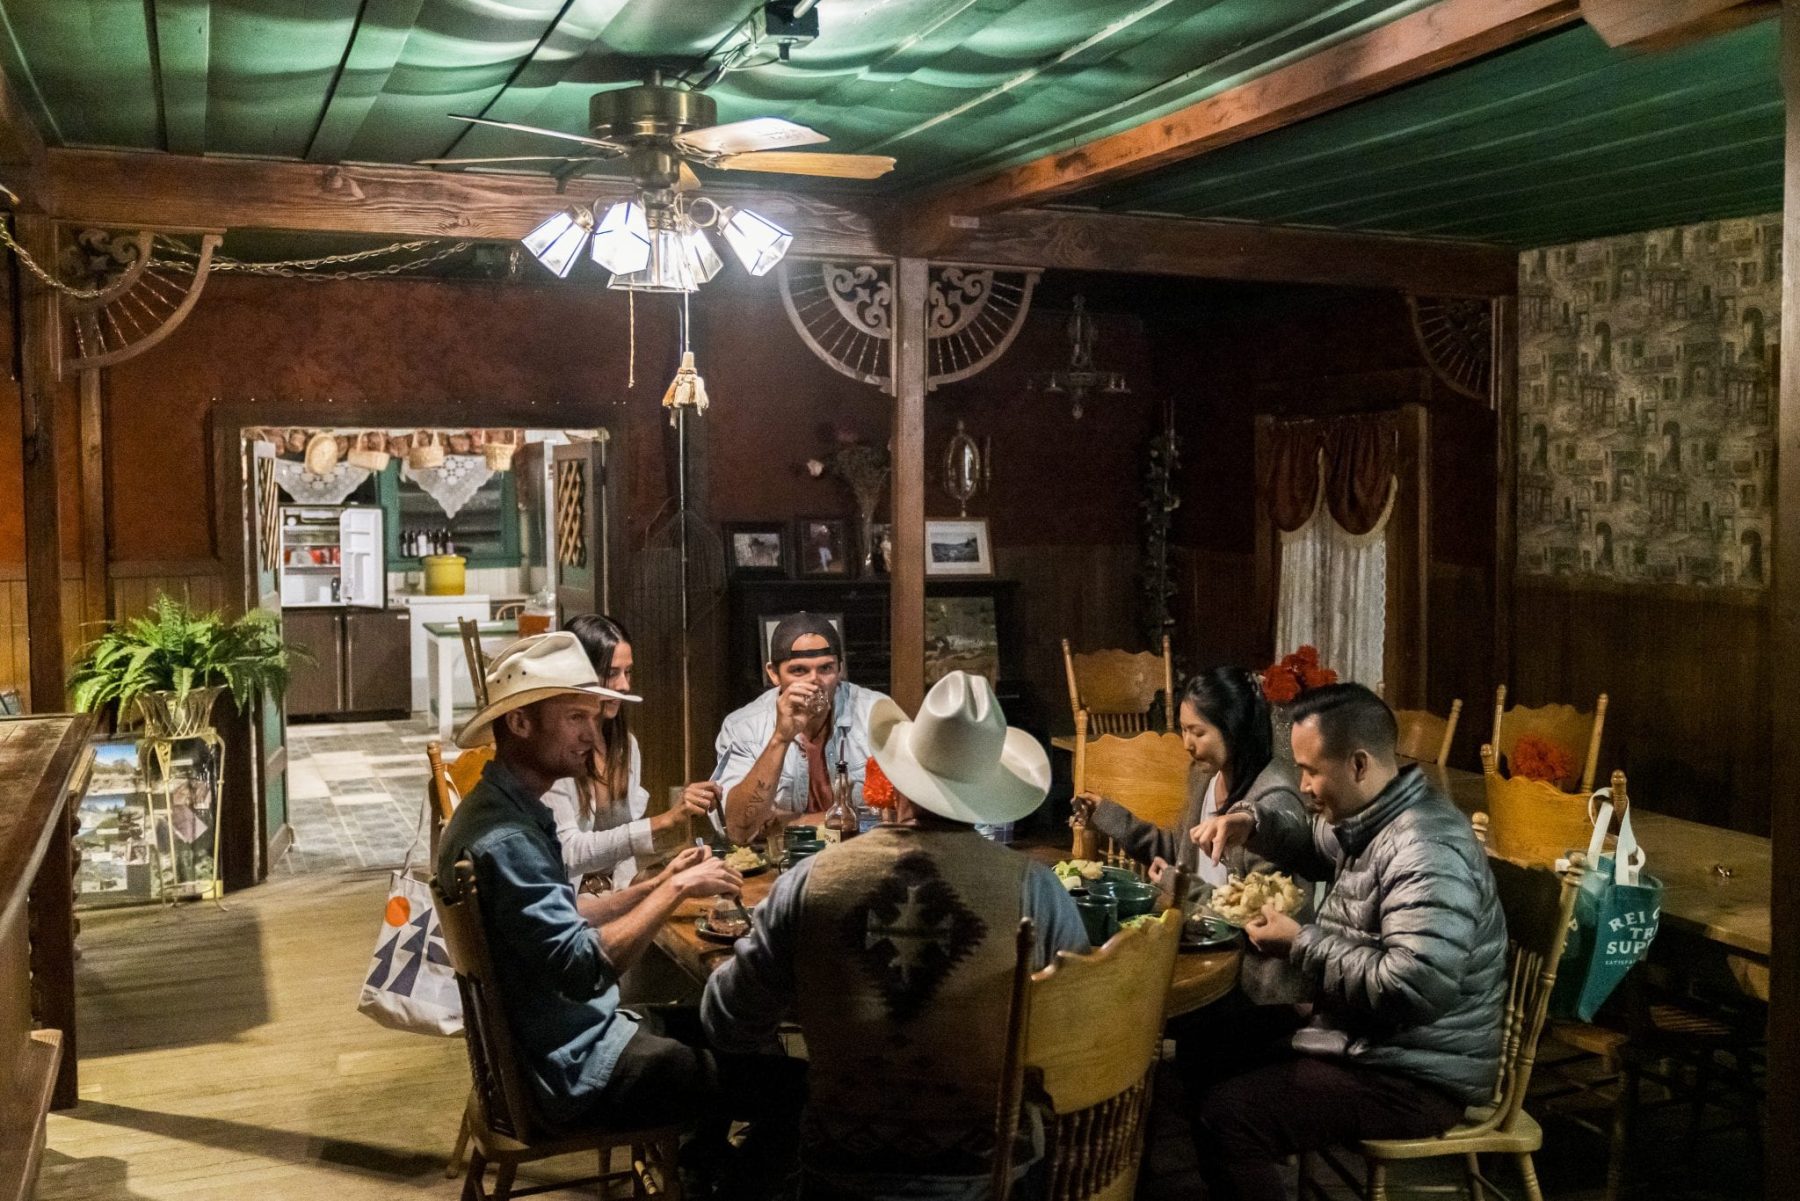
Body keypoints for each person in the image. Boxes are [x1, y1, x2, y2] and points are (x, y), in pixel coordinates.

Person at [701, 671, 1090, 1199]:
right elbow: (1076, 1031)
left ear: (899, 775)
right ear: (989, 789)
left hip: (839, 1173)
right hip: (991, 1175)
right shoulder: (1034, 888)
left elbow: (726, 1021)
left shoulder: (810, 880)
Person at [434, 632, 801, 1188]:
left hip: (561, 1045)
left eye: (593, 715)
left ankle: (703, 1169)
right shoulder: (506, 839)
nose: (593, 731)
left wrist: (661, 880)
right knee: (798, 1086)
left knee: (735, 1027)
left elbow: (564, 911)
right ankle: (724, 1183)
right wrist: (671, 894)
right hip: (574, 1072)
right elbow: (584, 969)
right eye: (575, 717)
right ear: (520, 724)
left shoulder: (500, 807)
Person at [1188, 683, 1507, 1201]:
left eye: (1312, 772)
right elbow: (1312, 841)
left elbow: (1416, 987)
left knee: (1229, 1116)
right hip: (1364, 1040)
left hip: (1416, 1074)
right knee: (1208, 1038)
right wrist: (1251, 822)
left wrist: (1301, 944)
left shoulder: (1424, 846)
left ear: (1359, 764)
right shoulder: (1370, 818)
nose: (1304, 786)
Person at [1072, 665, 1312, 1010]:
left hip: (1253, 986)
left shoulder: (1272, 798)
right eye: (1184, 731)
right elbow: (1183, 850)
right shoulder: (1206, 777)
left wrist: (1176, 882)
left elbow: (1253, 916)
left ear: (1233, 730)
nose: (1186, 744)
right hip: (1205, 949)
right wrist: (1108, 815)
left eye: (1197, 732)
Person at [544, 613, 720, 890]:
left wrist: (657, 875)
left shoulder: (626, 745)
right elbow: (567, 853)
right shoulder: (553, 750)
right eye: (611, 673)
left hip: (613, 893)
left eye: (628, 673)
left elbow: (622, 856)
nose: (624, 685)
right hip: (566, 902)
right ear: (578, 673)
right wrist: (663, 821)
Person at [716, 612, 890, 844]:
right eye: (799, 670)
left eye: (826, 668)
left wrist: (792, 822)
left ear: (841, 668)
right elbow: (739, 830)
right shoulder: (743, 727)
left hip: (858, 853)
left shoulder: (876, 713)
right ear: (773, 674)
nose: (814, 681)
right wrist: (780, 738)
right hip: (779, 863)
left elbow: (898, 815)